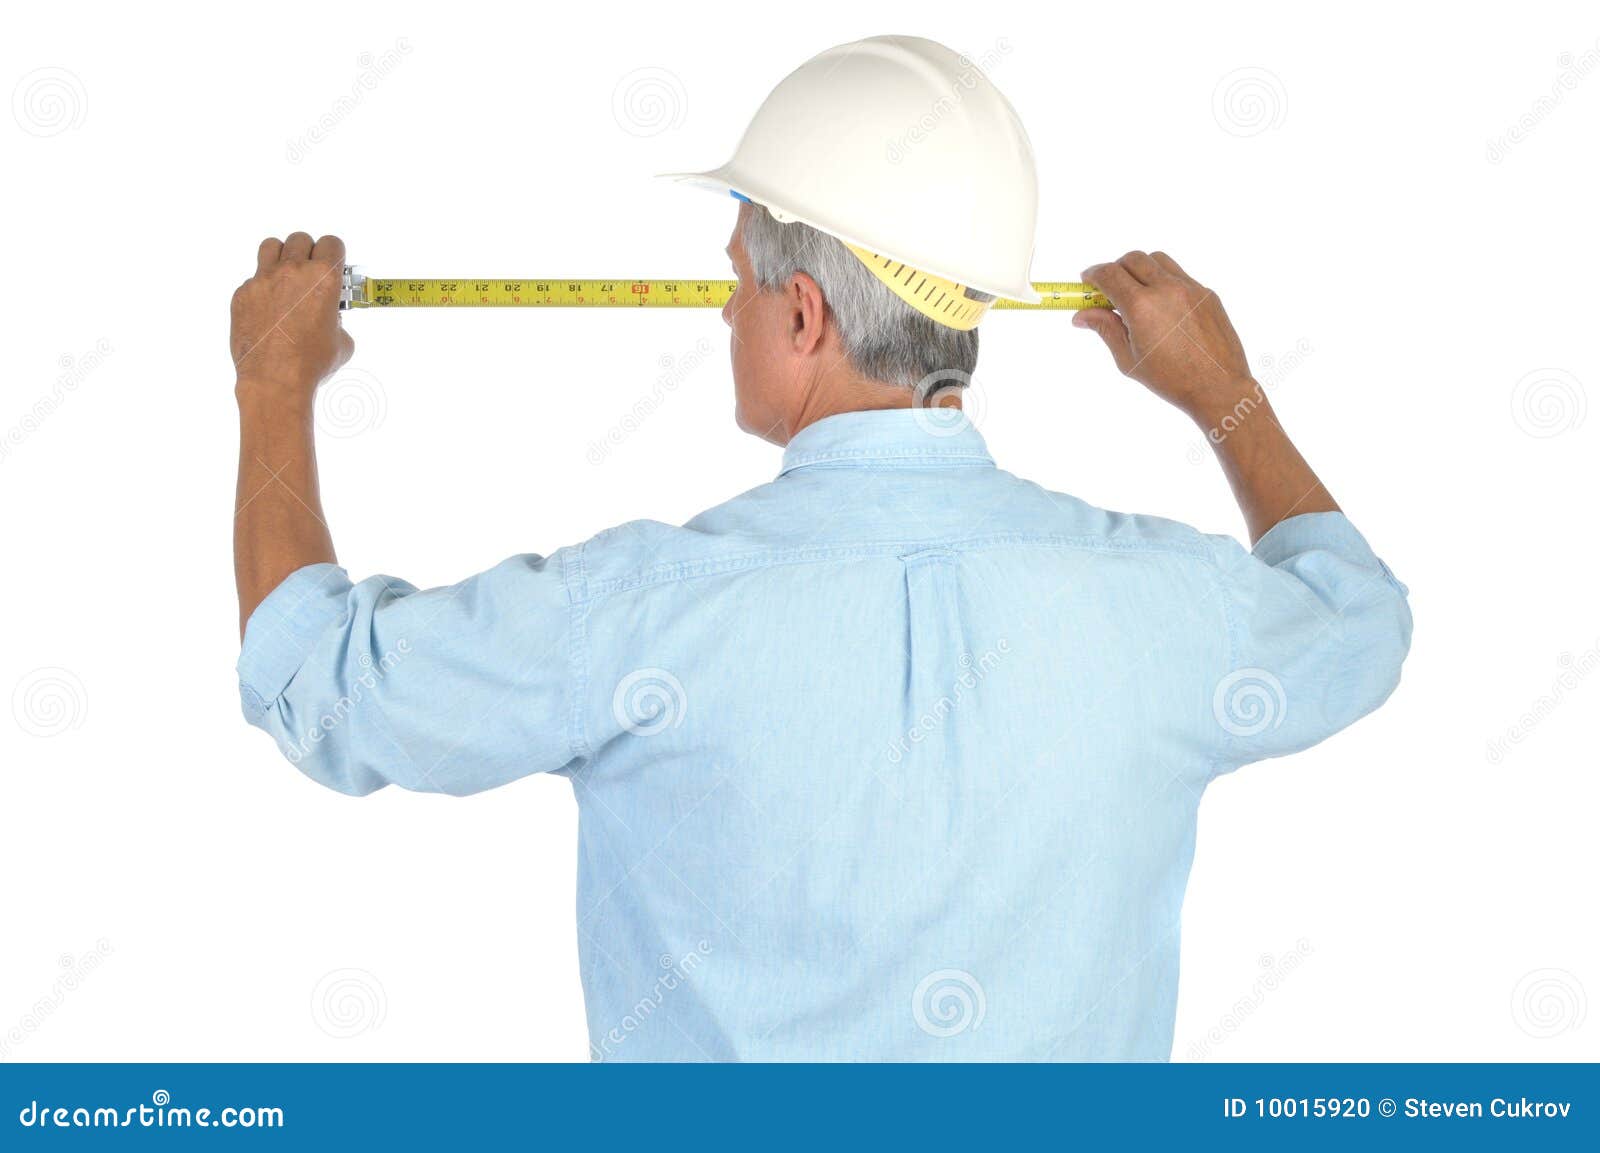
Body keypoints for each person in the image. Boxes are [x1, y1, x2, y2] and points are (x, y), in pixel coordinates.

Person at [230, 36, 1411, 1060]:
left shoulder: (631, 612)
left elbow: (316, 683)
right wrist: (1223, 393)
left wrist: (274, 385)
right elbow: (1356, 618)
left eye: (736, 283)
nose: (720, 309)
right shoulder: (1168, 606)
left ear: (804, 314)